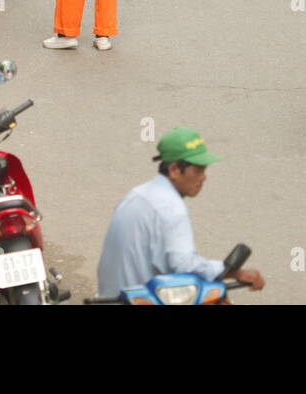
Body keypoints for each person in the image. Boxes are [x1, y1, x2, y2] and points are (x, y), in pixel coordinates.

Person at [96, 127, 265, 300]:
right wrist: (233, 272)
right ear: (174, 169)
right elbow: (184, 265)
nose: (203, 177)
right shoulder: (171, 207)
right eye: (198, 170)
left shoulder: (135, 195)